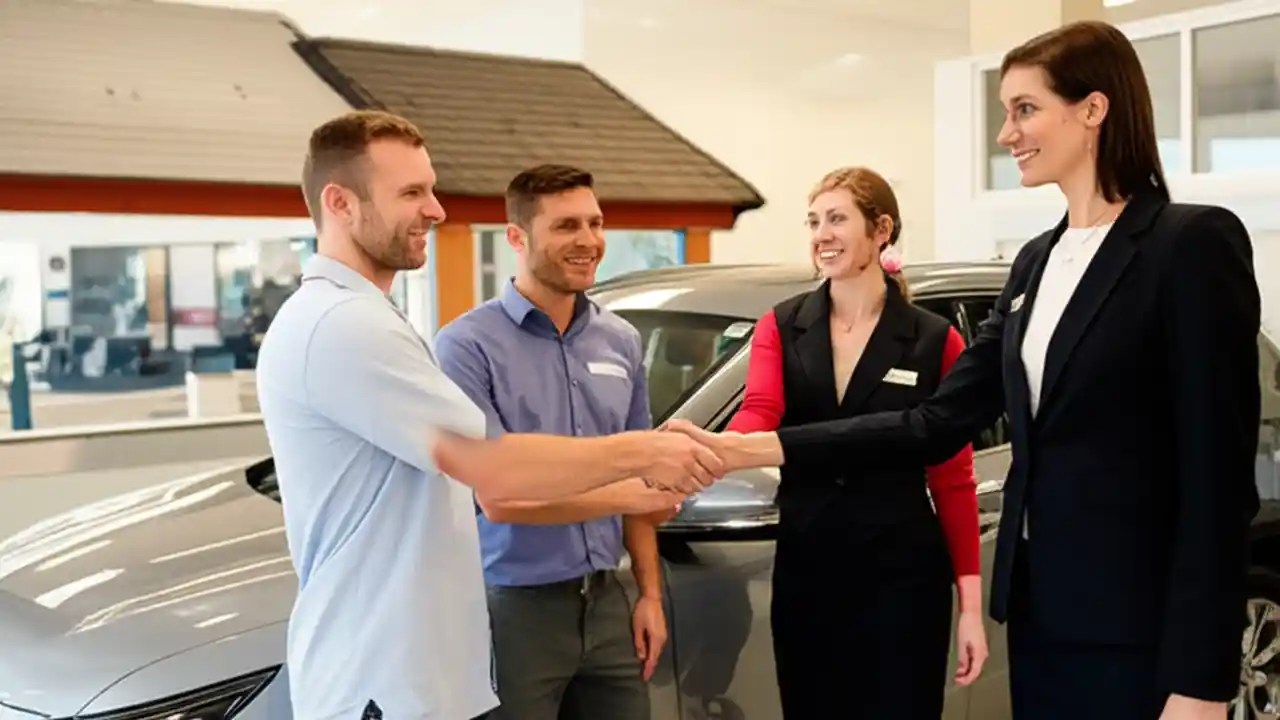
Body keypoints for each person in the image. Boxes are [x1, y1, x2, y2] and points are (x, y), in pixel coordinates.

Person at [665, 20, 1261, 720]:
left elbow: (1218, 482)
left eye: (1025, 109)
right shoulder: (1036, 261)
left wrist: (1202, 680)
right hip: (1042, 614)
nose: (1006, 134)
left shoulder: (1190, 245)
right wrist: (754, 448)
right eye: (1005, 112)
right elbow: (935, 422)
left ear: (1093, 109)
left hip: (1140, 623)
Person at [255, 111, 720, 720]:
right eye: (412, 192)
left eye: (431, 189)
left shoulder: (363, 317)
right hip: (383, 679)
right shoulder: (345, 326)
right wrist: (646, 456)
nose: (436, 210)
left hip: (416, 671)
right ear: (340, 203)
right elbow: (494, 471)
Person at [723, 166, 987, 718]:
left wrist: (969, 607)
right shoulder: (782, 325)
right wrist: (709, 450)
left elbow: (953, 479)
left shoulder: (933, 339)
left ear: (881, 230)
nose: (822, 234)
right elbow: (759, 412)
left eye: (837, 219)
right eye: (814, 221)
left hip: (903, 578)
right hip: (809, 571)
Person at [435, 164, 676, 720]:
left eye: (595, 223)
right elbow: (499, 498)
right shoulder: (466, 347)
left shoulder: (622, 340)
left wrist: (649, 595)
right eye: (567, 226)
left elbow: (640, 477)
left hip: (609, 604)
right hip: (514, 612)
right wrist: (627, 495)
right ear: (517, 237)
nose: (588, 240)